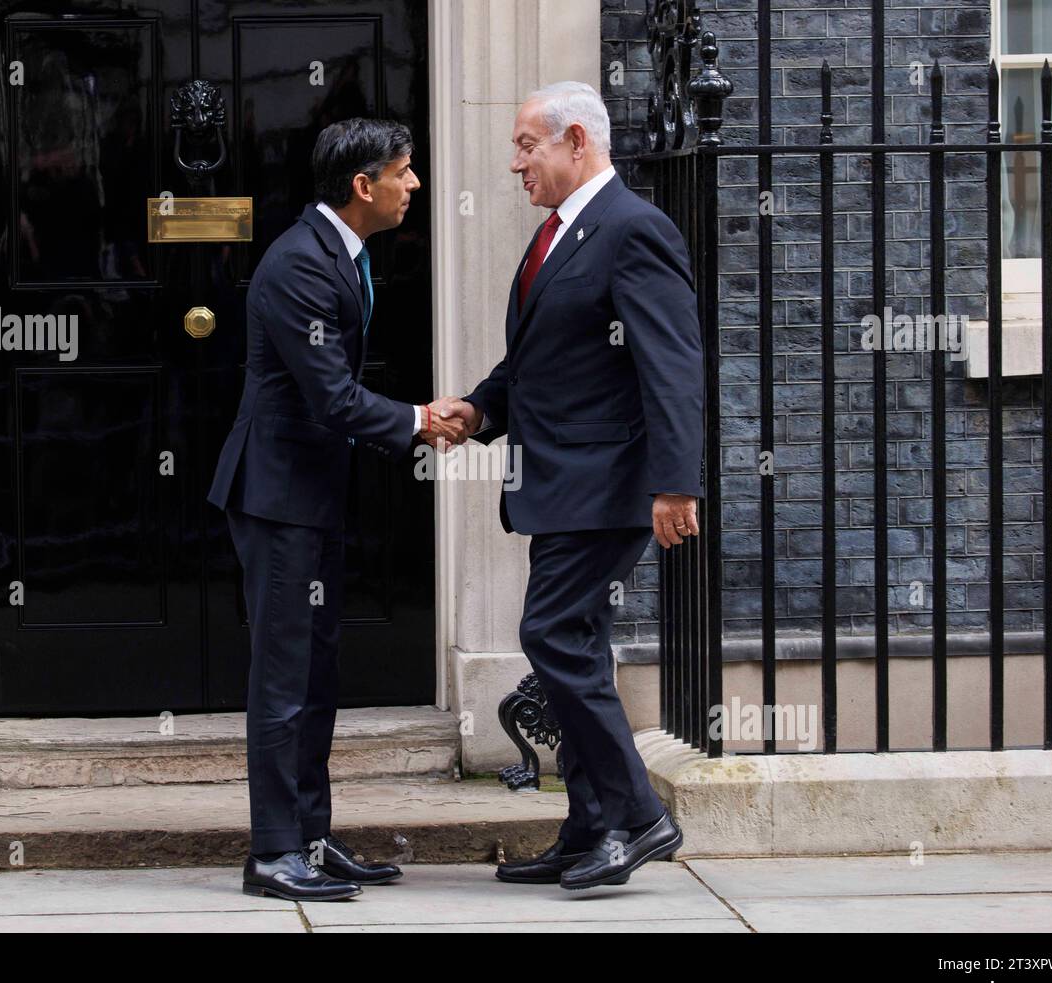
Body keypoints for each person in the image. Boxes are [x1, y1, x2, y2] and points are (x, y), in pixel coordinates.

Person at [437, 81, 705, 890]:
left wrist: (674, 485)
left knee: (550, 634)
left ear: (577, 141)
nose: (515, 161)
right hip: (563, 485)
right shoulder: (558, 235)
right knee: (575, 645)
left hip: (610, 485)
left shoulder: (632, 230)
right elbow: (539, 368)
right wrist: (478, 411)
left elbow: (672, 364)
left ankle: (639, 815)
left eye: (528, 145)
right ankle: (592, 829)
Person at [207, 117, 466, 902]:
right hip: (277, 497)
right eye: (404, 171)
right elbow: (328, 395)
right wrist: (421, 420)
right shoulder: (298, 267)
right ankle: (272, 853)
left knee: (315, 673)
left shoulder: (339, 256)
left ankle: (310, 840)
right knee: (283, 678)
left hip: (308, 496)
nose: (413, 185)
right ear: (364, 186)